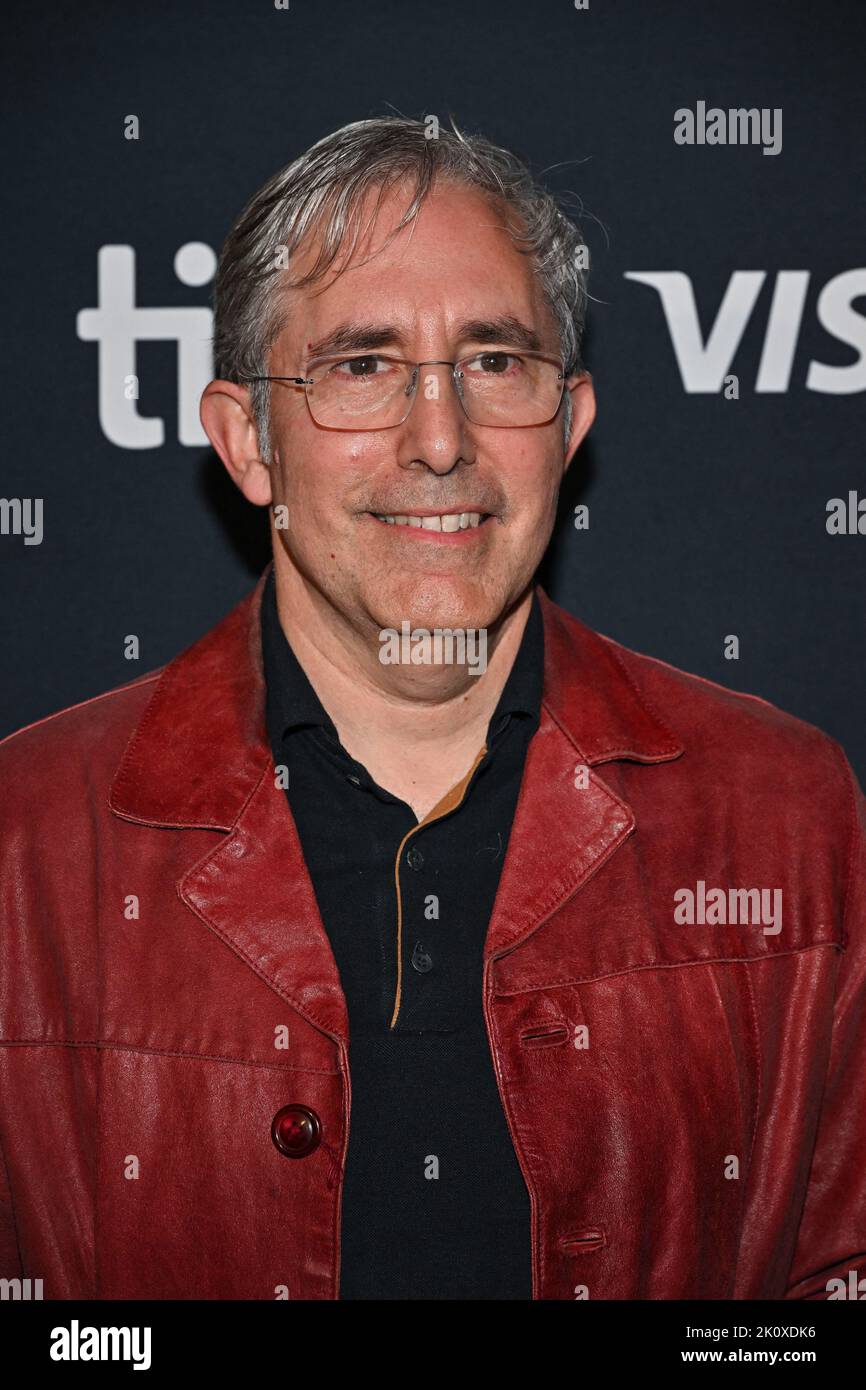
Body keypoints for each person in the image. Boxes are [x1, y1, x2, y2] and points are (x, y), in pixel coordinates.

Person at [1, 117, 864, 1301]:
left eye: (493, 363)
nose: (442, 439)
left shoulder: (785, 815)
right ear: (247, 439)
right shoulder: (25, 844)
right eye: (361, 367)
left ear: (568, 425)